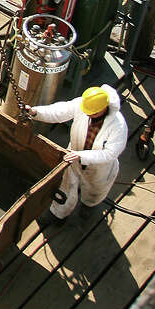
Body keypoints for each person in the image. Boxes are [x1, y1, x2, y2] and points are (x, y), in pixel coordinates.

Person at [27, 84, 128, 219]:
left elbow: (110, 153)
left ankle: (89, 204)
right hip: (73, 156)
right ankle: (59, 214)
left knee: (95, 189)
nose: (88, 115)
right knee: (66, 185)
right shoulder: (85, 104)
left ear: (104, 108)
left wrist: (82, 156)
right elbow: (60, 111)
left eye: (93, 113)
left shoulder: (118, 126)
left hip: (99, 167)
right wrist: (36, 113)